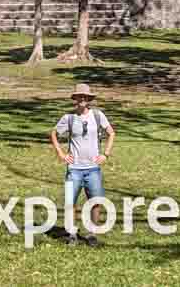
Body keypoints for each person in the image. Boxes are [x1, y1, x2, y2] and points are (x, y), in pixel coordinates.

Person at [50, 83, 115, 247]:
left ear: (89, 99)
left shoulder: (98, 116)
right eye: (79, 97)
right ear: (75, 99)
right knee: (70, 202)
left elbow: (111, 133)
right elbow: (54, 133)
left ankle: (92, 233)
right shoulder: (69, 118)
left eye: (85, 97)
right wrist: (61, 153)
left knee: (96, 201)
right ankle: (72, 234)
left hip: (93, 168)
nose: (82, 99)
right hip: (74, 169)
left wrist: (105, 154)